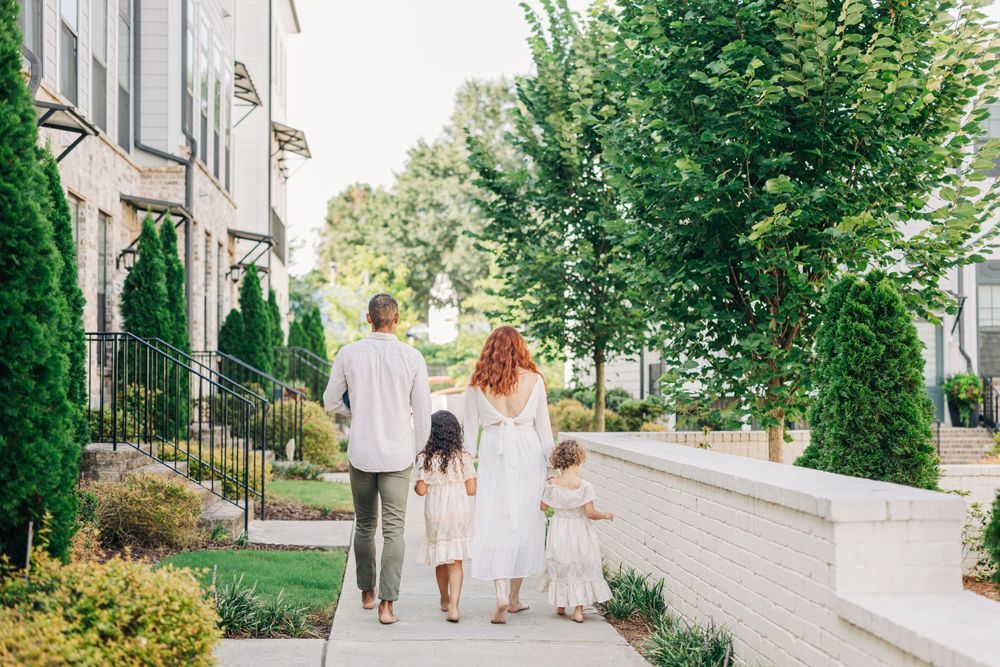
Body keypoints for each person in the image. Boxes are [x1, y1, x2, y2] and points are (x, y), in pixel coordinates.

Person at [323, 293, 431, 625]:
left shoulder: (348, 353)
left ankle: (366, 592)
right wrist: (422, 459)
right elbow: (424, 416)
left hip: (363, 453)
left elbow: (330, 401)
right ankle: (388, 605)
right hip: (398, 455)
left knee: (365, 526)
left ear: (368, 318)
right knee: (394, 531)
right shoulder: (412, 357)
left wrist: (354, 410)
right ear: (397, 319)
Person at [463, 325, 554, 624]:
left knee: (494, 520)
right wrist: (552, 473)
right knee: (524, 521)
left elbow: (468, 433)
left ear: (490, 349)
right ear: (520, 348)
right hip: (528, 455)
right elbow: (545, 432)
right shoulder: (535, 381)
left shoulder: (478, 382)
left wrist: (468, 471)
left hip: (493, 455)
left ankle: (501, 593)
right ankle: (514, 599)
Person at [539, 440, 614, 623]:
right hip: (579, 530)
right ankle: (578, 611)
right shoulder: (584, 486)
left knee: (562, 564)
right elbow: (590, 513)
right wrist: (604, 515)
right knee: (579, 564)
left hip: (559, 529)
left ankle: (560, 605)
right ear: (578, 460)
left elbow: (543, 507)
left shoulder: (552, 483)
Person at [414, 410, 477, 623]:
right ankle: (454, 607)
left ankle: (444, 599)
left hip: (436, 513)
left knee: (440, 557)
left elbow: (421, 491)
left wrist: (420, 483)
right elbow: (471, 489)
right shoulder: (463, 457)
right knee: (455, 559)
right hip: (458, 511)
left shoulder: (425, 458)